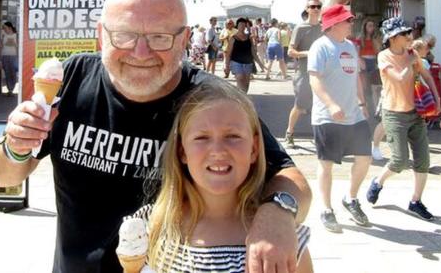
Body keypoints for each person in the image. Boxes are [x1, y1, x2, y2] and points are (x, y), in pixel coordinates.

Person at [0, 0, 311, 273]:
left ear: (184, 39)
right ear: (101, 35)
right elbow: (2, 176)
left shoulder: (210, 100)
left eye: (159, 37)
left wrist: (277, 211)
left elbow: (288, 175)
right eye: (125, 35)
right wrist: (15, 146)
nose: (140, 52)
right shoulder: (70, 81)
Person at [121, 80, 312, 273]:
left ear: (254, 149)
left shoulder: (280, 239)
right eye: (202, 138)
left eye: (233, 136)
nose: (218, 151)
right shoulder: (149, 225)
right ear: (182, 151)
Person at [366, 17, 441, 221]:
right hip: (394, 114)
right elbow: (399, 78)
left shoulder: (412, 54)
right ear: (392, 38)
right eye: (405, 34)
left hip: (416, 113)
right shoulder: (384, 57)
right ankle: (378, 182)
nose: (410, 37)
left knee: (423, 160)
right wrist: (409, 61)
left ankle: (415, 201)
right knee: (399, 161)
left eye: (409, 33)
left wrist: (437, 98)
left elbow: (426, 75)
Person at [307, 5, 371, 232]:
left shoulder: (351, 47)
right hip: (327, 117)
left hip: (353, 114)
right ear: (333, 24)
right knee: (326, 164)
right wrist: (331, 104)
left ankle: (351, 198)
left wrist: (362, 103)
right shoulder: (320, 47)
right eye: (347, 20)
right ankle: (326, 208)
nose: (350, 24)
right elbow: (314, 80)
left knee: (365, 158)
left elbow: (355, 78)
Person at [285, 0, 323, 149]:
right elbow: (290, 51)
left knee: (320, 106)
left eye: (318, 7)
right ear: (307, 9)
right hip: (304, 72)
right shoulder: (300, 28)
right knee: (300, 106)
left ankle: (320, 136)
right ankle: (289, 132)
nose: (315, 9)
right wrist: (307, 53)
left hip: (321, 73)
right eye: (312, 6)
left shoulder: (323, 28)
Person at [355, 19, 385, 160]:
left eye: (373, 25)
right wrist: (359, 61)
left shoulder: (376, 38)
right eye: (369, 25)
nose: (371, 27)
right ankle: (364, 107)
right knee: (363, 86)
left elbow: (379, 52)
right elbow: (356, 52)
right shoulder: (359, 38)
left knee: (375, 88)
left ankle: (374, 109)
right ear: (364, 26)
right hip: (363, 61)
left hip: (374, 61)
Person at [225, 17, 266, 93]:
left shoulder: (249, 38)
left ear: (246, 26)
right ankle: (240, 101)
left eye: (244, 25)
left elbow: (253, 52)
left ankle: (243, 98)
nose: (242, 27)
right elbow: (228, 53)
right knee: (240, 80)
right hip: (236, 62)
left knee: (246, 84)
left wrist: (260, 64)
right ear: (237, 26)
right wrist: (227, 66)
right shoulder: (233, 38)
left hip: (248, 63)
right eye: (240, 25)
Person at [0, 21, 18, 96]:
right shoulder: (3, 35)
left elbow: (18, 46)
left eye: (5, 28)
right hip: (5, 55)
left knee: (13, 73)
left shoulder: (16, 35)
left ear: (10, 28)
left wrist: (13, 43)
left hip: (13, 56)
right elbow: (0, 46)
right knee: (7, 73)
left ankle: (13, 88)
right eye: (3, 28)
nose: (4, 29)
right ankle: (10, 89)